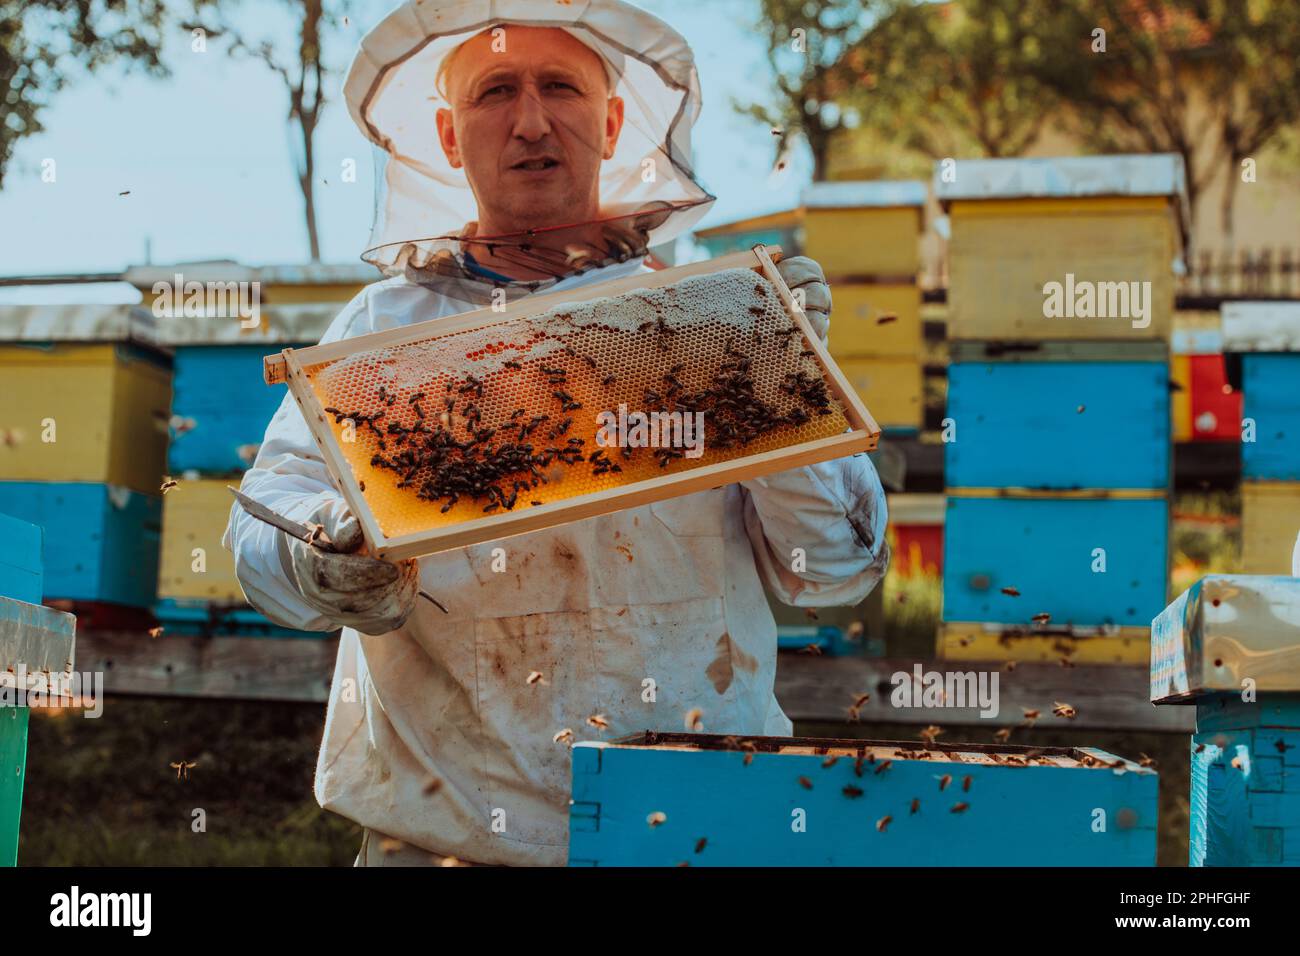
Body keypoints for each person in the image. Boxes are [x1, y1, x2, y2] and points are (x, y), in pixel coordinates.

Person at [225, 0, 889, 867]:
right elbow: (264, 520)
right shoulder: (380, 328)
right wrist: (324, 552)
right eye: (495, 90)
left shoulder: (706, 322)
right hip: (443, 837)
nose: (531, 120)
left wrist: (782, 380)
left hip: (691, 831)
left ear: (611, 123)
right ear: (450, 136)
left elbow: (832, 571)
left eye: (561, 88)